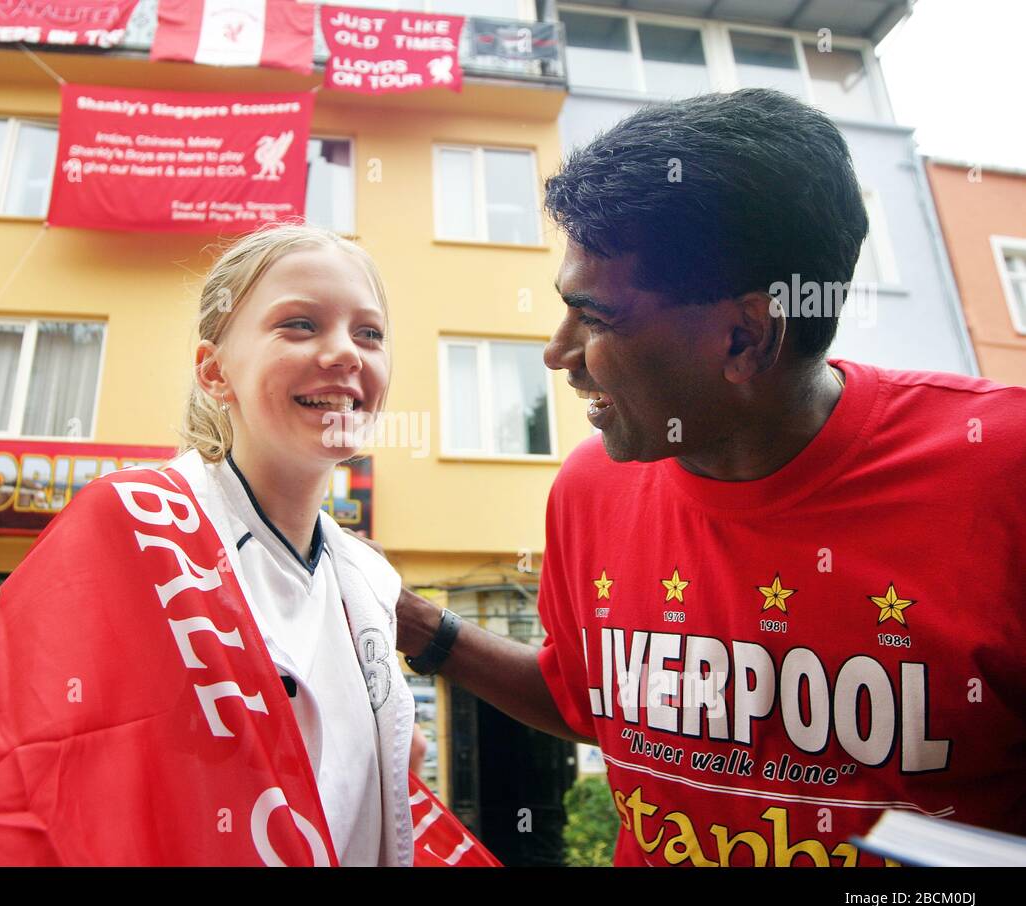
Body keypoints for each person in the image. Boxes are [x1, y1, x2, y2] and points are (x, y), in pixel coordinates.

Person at [393, 88, 1026, 866]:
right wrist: (421, 629)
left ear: (745, 338)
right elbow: (589, 702)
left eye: (594, 318)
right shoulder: (590, 486)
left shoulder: (1003, 472)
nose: (557, 354)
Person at [0, 223, 490, 867]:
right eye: (300, 324)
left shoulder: (368, 578)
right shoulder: (133, 521)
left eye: (369, 334)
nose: (343, 351)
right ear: (215, 372)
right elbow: (4, 761)